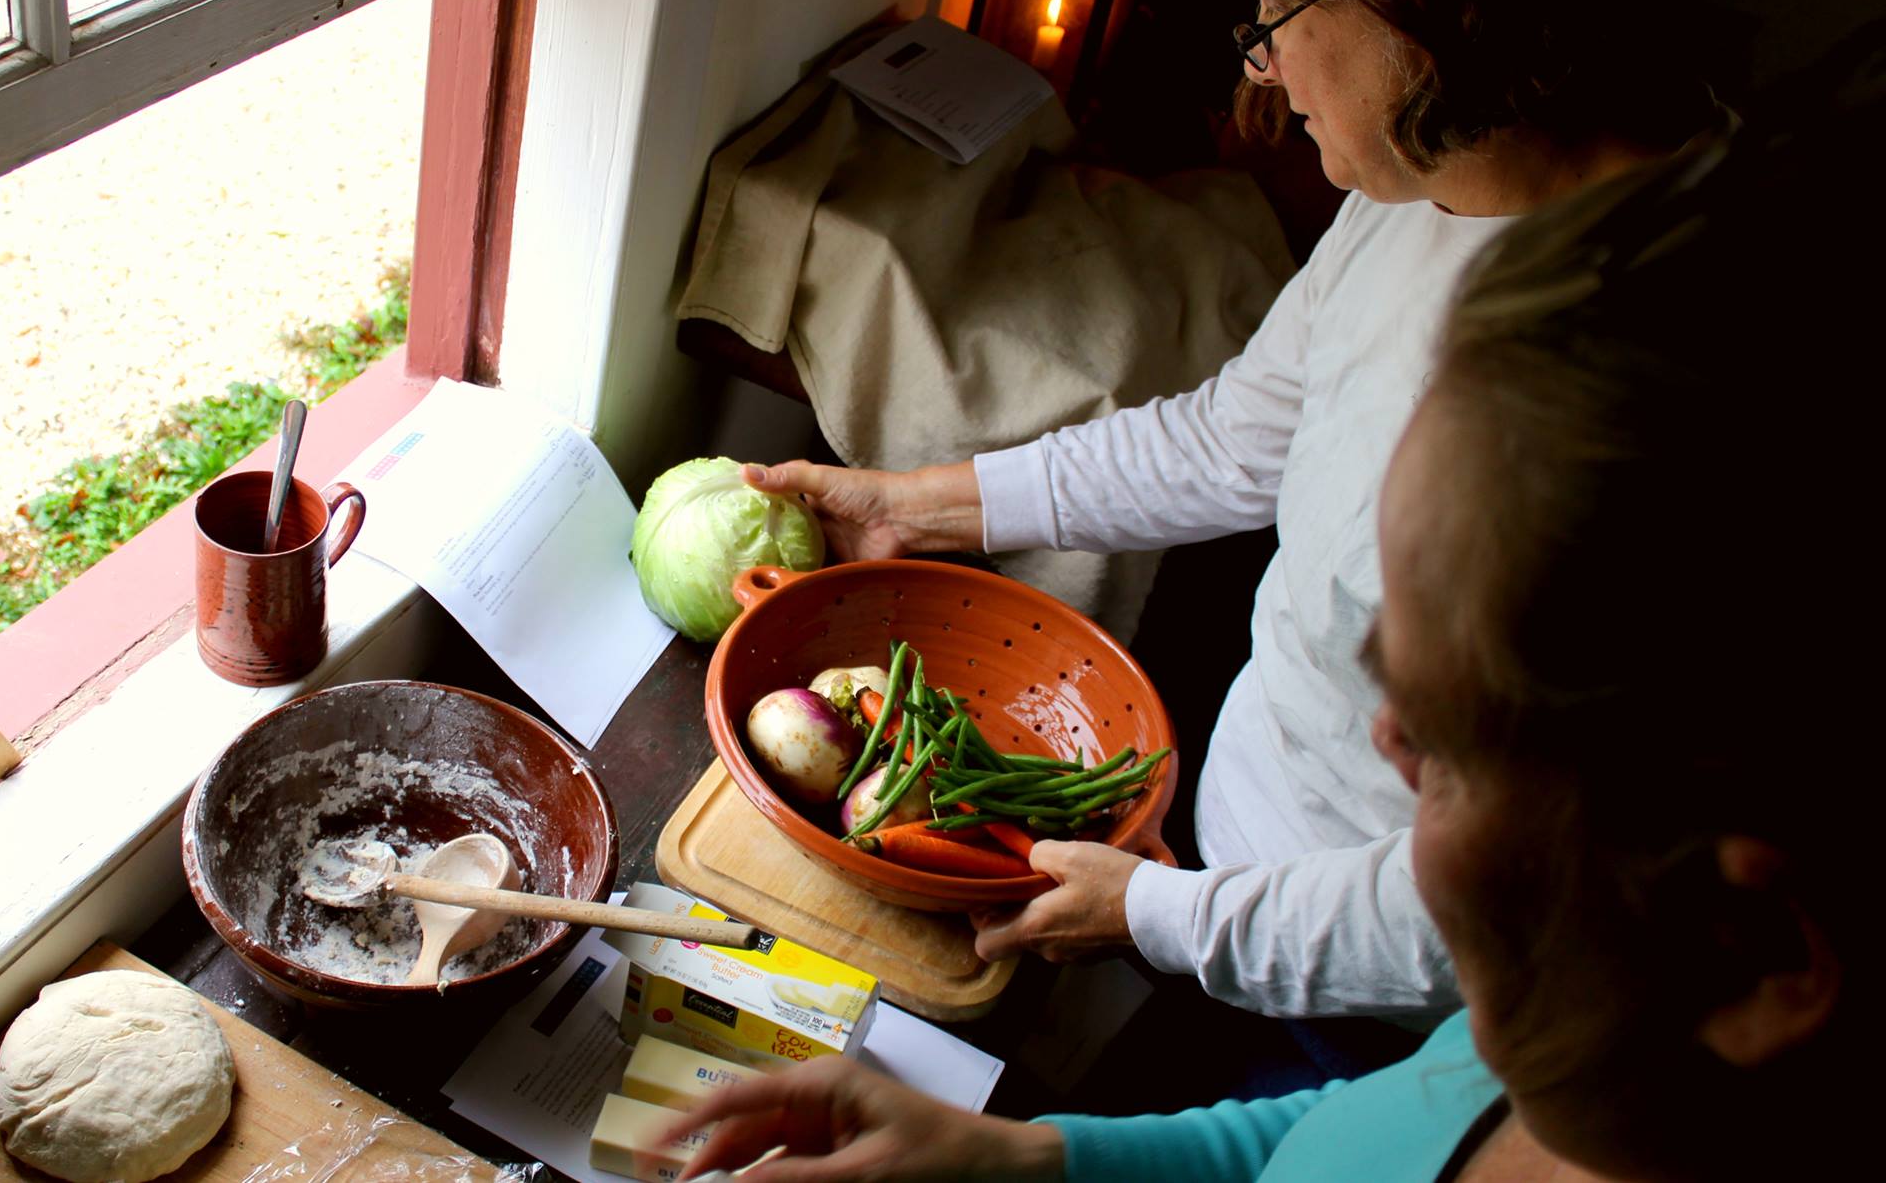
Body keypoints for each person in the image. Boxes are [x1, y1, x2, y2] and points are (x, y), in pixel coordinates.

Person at [671, 89, 1875, 1183]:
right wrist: (1019, 1159)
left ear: (1750, 941)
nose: (1383, 746)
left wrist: (1167, 920)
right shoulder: (1526, 1064)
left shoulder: (1543, 1034)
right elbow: (1332, 1141)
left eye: (1449, 754)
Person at [744, 0, 1718, 1027]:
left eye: (1269, 6)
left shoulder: (1654, 390)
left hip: (1397, 1004)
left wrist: (1163, 919)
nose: (1257, 65)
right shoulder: (1435, 177)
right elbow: (1233, 438)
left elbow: (1514, 895)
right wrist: (913, 504)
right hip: (1235, 857)